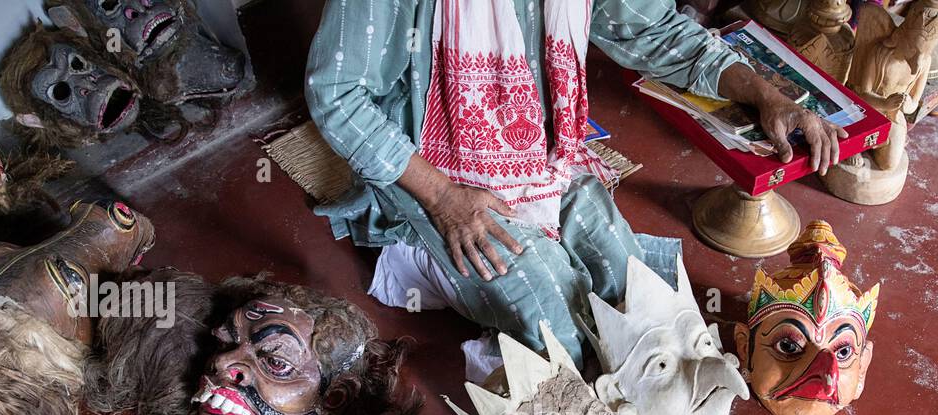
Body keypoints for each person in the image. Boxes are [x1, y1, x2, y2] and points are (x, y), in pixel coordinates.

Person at [306, 0, 844, 363]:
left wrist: (765, 93)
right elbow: (336, 95)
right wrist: (444, 198)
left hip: (547, 156)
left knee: (638, 292)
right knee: (559, 336)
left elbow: (650, 27)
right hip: (434, 168)